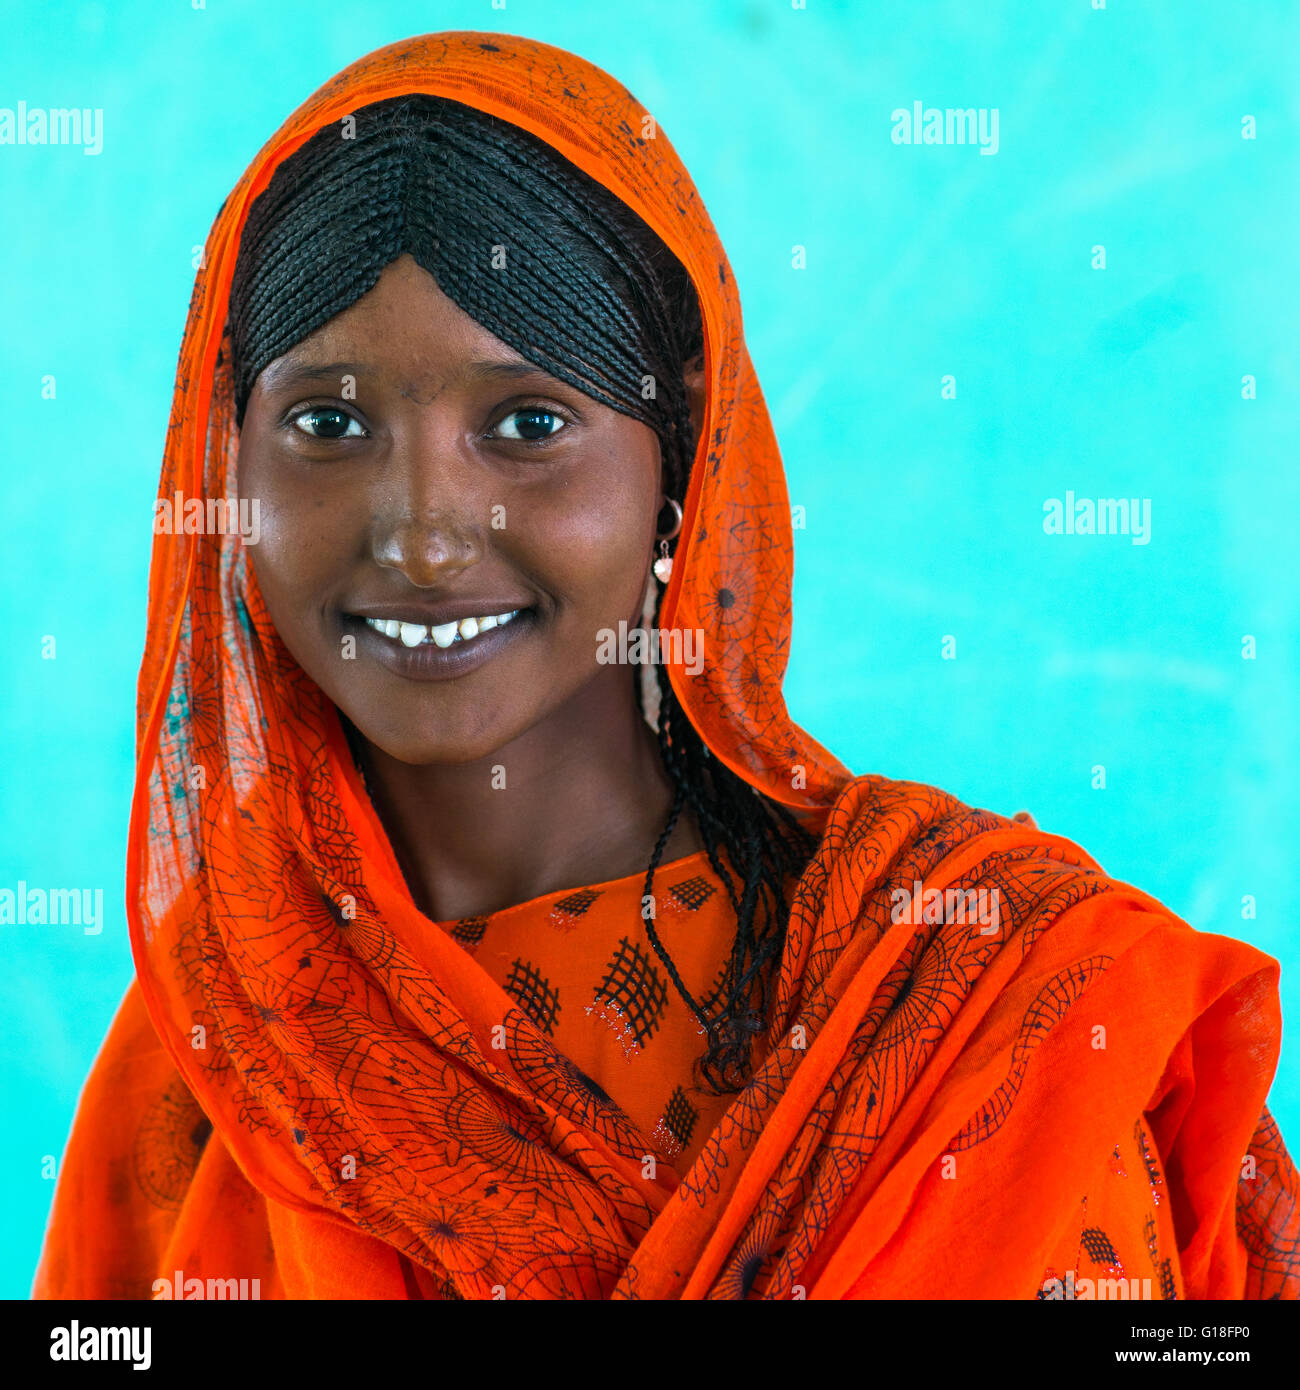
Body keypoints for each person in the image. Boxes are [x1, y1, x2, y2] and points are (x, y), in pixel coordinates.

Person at [33, 31, 1297, 1301]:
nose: (419, 534)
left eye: (528, 424)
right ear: (227, 462)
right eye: (329, 423)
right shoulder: (221, 1039)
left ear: (679, 460)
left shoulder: (980, 1006)